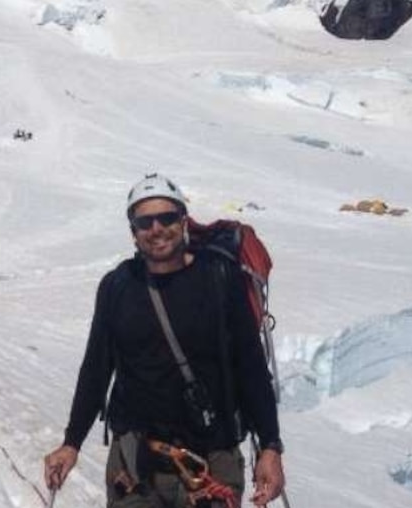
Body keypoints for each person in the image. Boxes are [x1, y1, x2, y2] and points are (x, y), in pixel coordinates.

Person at [43, 174, 285, 507]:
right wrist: (72, 442)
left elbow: (251, 366)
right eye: (145, 222)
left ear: (183, 221)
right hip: (135, 464)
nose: (156, 228)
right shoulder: (118, 286)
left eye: (167, 218)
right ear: (134, 232)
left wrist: (270, 447)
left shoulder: (219, 277)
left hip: (211, 461)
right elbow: (97, 369)